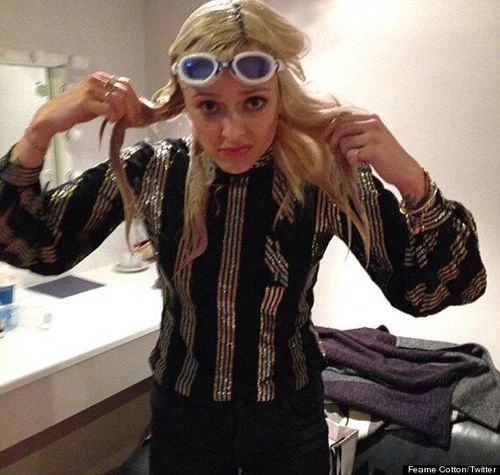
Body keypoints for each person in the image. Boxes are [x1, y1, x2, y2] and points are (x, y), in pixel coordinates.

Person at [0, 0, 487, 473]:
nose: (232, 132)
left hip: (289, 424)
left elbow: (436, 289)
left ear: (279, 96)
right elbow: (38, 246)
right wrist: (39, 133)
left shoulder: (321, 179)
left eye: (254, 102)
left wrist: (410, 178)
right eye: (209, 105)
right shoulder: (154, 170)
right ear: (185, 102)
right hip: (184, 420)